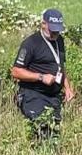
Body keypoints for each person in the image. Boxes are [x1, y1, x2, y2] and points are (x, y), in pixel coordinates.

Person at [10, 9, 75, 139]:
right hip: (34, 95)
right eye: (52, 30)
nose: (55, 33)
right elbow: (16, 71)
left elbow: (60, 66)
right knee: (42, 131)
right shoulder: (31, 43)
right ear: (43, 24)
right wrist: (40, 77)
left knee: (55, 133)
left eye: (58, 30)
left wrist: (67, 87)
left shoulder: (59, 41)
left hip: (54, 96)